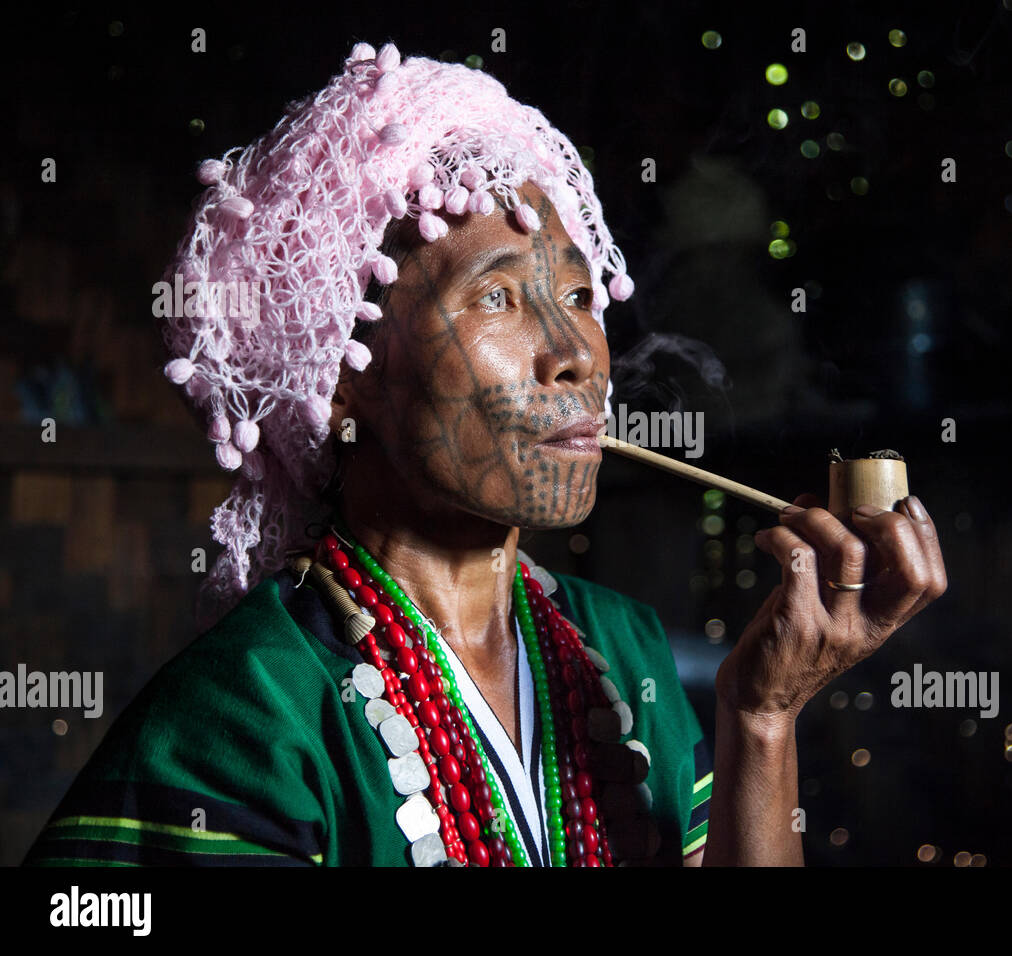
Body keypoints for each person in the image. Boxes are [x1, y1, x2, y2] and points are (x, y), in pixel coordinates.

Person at [25, 41, 946, 868]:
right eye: (498, 300)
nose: (578, 354)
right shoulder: (247, 714)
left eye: (581, 296)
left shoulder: (624, 654)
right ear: (338, 378)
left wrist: (765, 718)